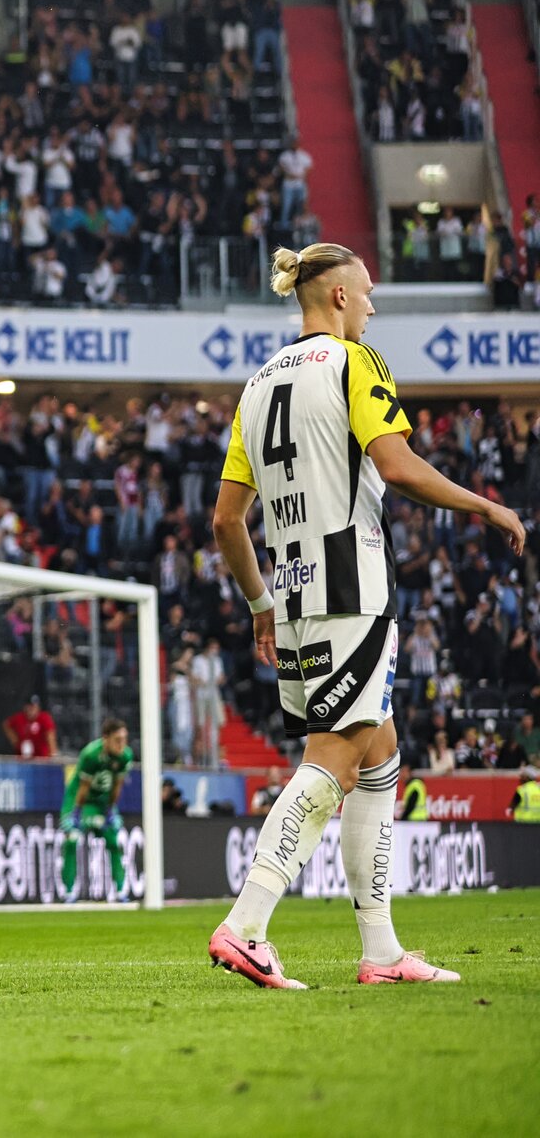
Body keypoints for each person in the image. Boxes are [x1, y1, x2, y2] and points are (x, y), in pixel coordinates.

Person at [210, 242, 525, 989]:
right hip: (353, 588)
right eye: (370, 293)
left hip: (292, 595)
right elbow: (397, 466)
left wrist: (260, 605)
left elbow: (226, 522)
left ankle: (381, 952)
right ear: (341, 299)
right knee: (335, 757)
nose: (375, 307)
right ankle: (245, 925)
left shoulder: (254, 389)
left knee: (380, 757)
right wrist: (483, 503)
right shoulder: (355, 363)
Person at [58, 719, 134, 904]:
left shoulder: (125, 756)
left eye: (124, 739)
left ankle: (121, 890)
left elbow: (117, 786)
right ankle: (68, 892)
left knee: (114, 841)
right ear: (105, 739)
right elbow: (83, 788)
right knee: (72, 839)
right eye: (117, 740)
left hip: (102, 803)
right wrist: (74, 814)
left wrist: (111, 811)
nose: (121, 744)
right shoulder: (91, 755)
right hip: (80, 802)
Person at [2, 694, 56, 758]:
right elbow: (6, 724)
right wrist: (15, 740)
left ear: (38, 707)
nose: (32, 709)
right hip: (23, 758)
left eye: (34, 707)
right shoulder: (19, 717)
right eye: (29, 707)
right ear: (25, 707)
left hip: (41, 758)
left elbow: (50, 736)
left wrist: (52, 754)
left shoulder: (44, 718)